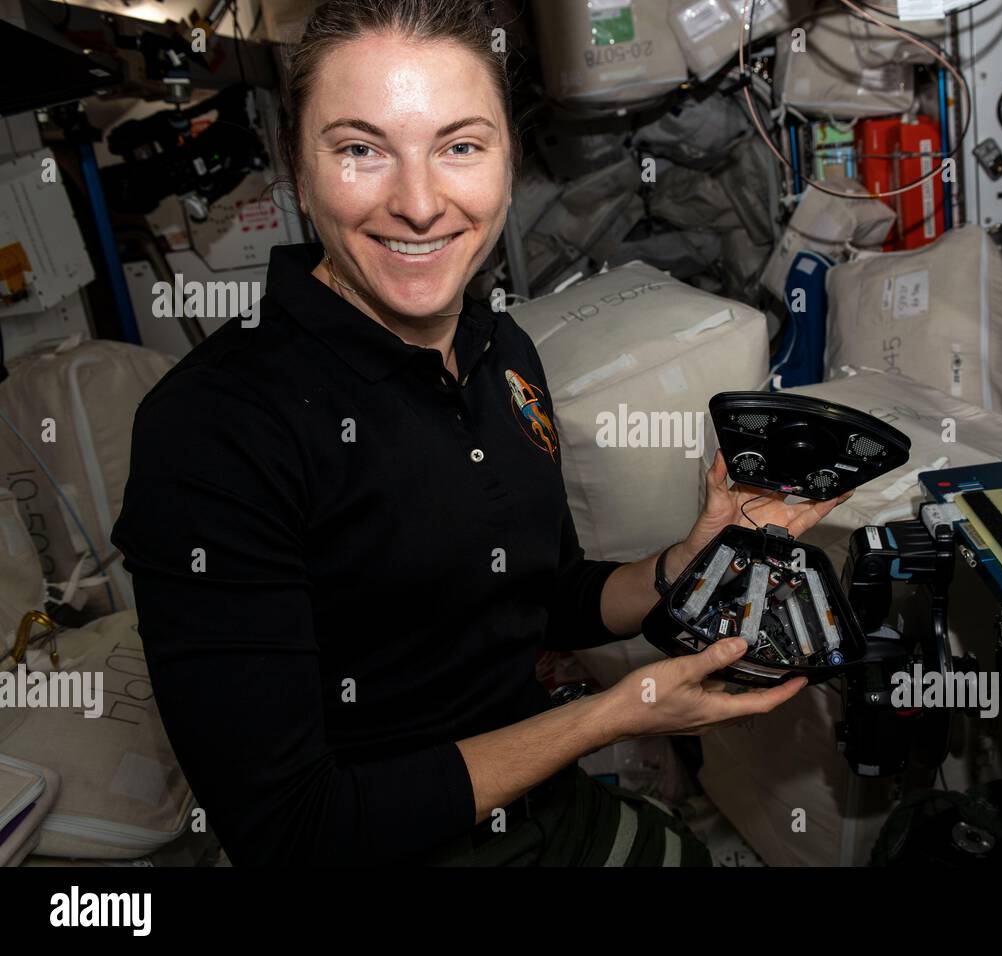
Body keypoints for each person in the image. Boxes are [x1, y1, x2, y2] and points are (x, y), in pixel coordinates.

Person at [111, 0, 852, 866]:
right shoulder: (212, 432)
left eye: (459, 146)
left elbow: (546, 598)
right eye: (361, 149)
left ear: (510, 159)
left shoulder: (502, 348)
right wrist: (612, 716)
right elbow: (291, 830)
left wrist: (689, 560)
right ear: (297, 171)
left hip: (546, 812)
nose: (419, 204)